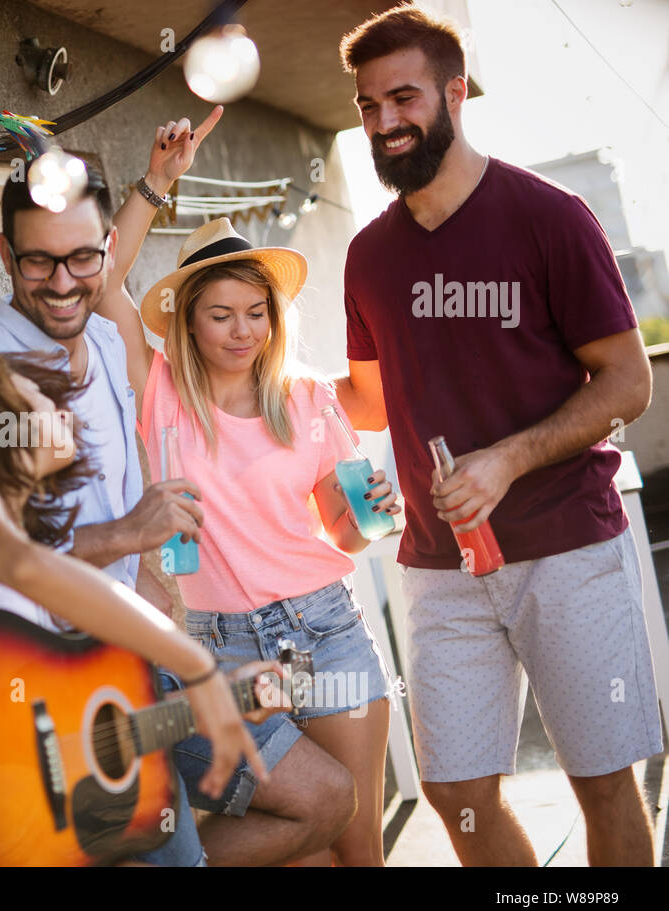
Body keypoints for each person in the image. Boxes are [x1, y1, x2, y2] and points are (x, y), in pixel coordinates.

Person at [0, 112, 357, 866]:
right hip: (68, 679)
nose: (64, 282)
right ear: (6, 256)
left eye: (83, 259)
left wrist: (157, 181)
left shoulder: (106, 348)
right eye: (38, 263)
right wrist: (126, 536)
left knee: (325, 801)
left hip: (151, 651)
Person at [335, 4, 661, 866]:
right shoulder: (368, 257)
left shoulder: (549, 216)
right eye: (369, 107)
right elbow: (369, 398)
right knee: (458, 792)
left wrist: (509, 458)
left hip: (565, 544)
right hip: (439, 565)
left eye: (403, 98)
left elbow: (629, 380)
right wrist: (240, 384)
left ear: (454, 93)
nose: (385, 122)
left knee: (600, 779)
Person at [99, 123, 401, 866]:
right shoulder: (161, 393)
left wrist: (374, 513)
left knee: (354, 838)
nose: (243, 331)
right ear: (187, 322)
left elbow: (345, 532)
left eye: (256, 312)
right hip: (222, 650)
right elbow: (103, 278)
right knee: (301, 835)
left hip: (324, 631)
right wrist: (156, 180)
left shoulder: (305, 398)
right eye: (221, 314)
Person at [0, 352, 283, 866]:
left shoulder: (1, 540)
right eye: (42, 397)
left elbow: (58, 743)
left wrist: (220, 699)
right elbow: (25, 566)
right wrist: (197, 667)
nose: (64, 409)